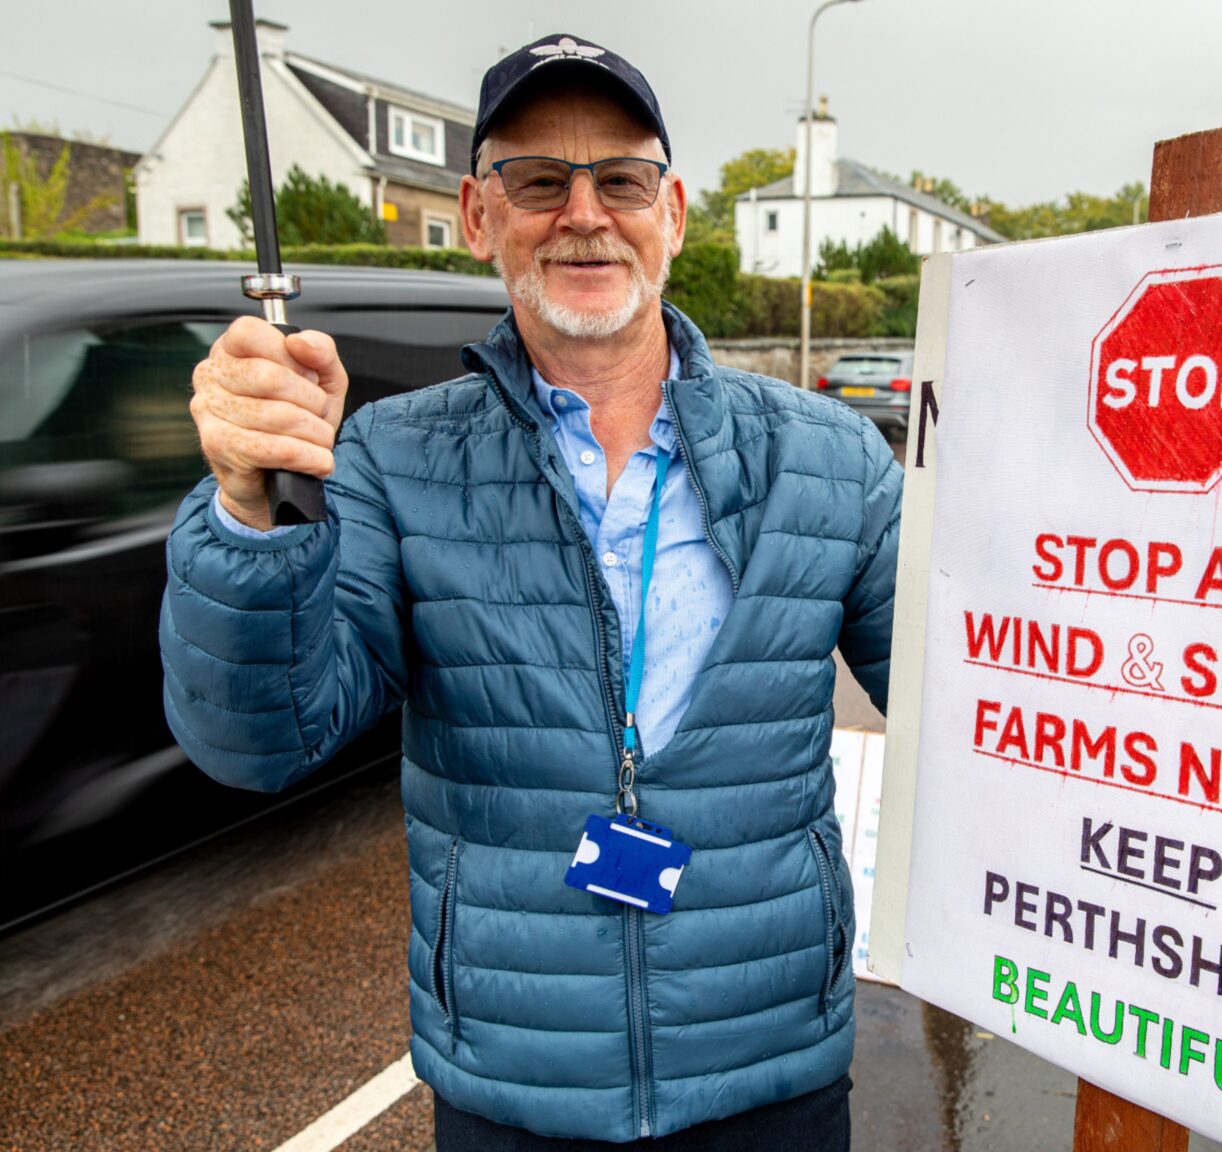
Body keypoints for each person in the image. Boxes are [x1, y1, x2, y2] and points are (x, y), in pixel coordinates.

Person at [160, 34, 900, 1150]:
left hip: (771, 1069)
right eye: (539, 181)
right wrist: (248, 509)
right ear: (476, 214)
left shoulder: (829, 457)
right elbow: (259, 740)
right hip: (515, 1086)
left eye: (622, 181)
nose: (584, 214)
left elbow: (972, 706)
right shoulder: (388, 460)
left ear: (673, 213)